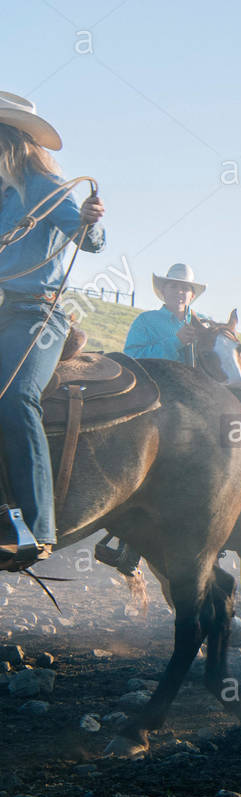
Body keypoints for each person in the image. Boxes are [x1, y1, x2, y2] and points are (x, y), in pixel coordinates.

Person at [0, 91, 106, 570]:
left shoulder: (46, 187)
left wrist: (91, 223)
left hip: (36, 315)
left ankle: (35, 527)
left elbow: (90, 240)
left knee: (16, 396)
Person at [123, 263, 208, 362]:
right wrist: (176, 342)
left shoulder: (205, 323)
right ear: (163, 291)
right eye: (173, 286)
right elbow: (131, 357)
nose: (179, 292)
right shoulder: (145, 321)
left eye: (185, 288)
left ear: (192, 296)